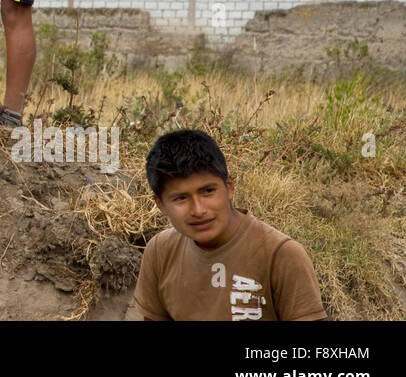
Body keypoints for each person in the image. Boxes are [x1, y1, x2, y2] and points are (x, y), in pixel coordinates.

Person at [134, 129, 327, 321]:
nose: (198, 210)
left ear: (229, 188)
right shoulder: (160, 251)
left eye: (208, 191)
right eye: (180, 198)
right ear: (161, 205)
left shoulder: (280, 255)